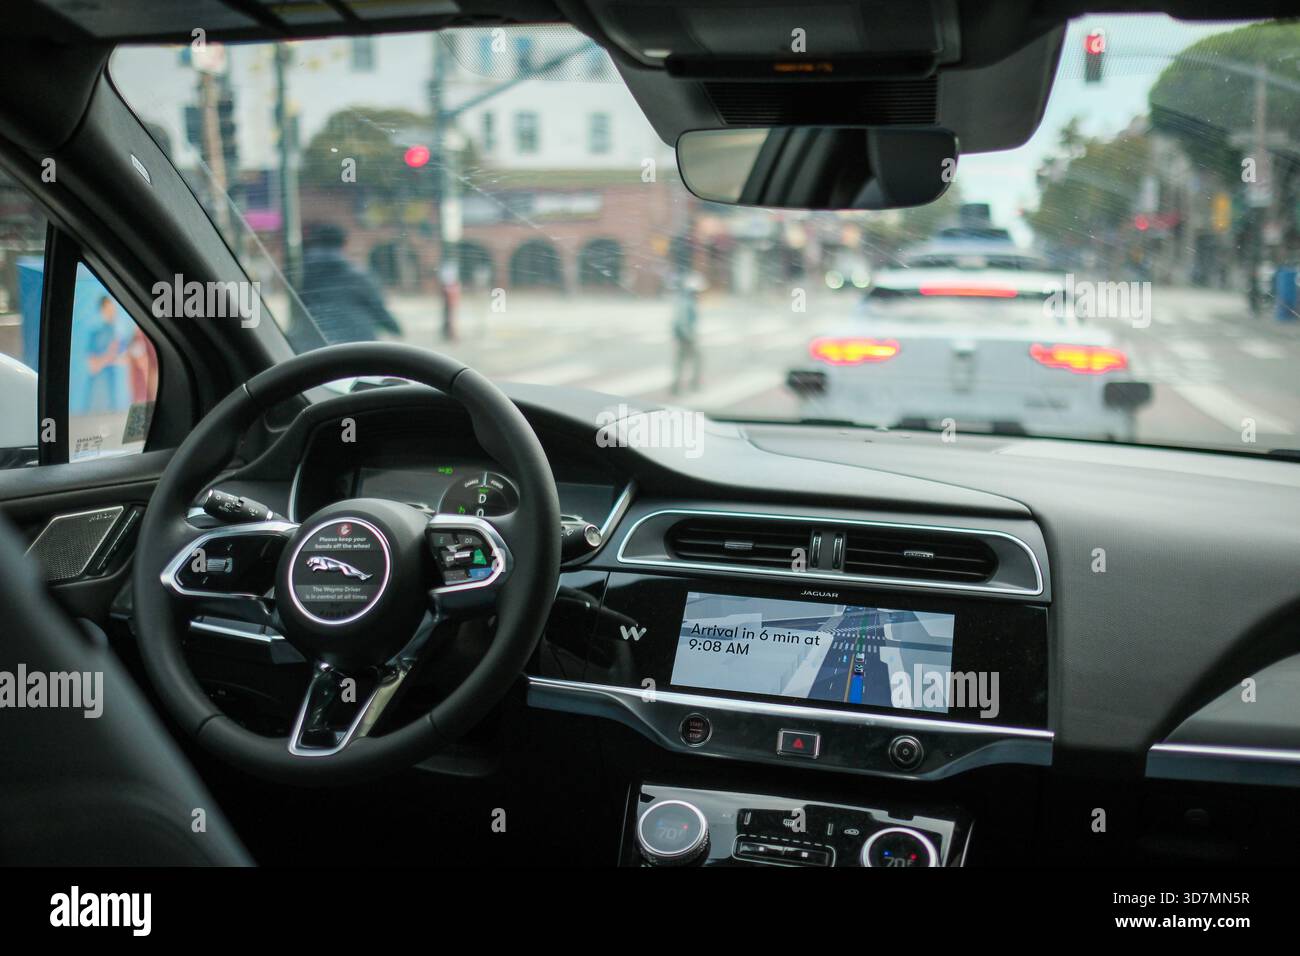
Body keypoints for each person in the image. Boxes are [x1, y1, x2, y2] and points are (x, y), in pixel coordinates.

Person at [297, 224, 402, 344]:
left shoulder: (301, 273)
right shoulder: (358, 274)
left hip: (314, 343)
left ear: (315, 242)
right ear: (344, 244)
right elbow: (377, 307)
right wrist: (394, 328)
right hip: (357, 343)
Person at [670, 269, 706, 395]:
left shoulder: (684, 300)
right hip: (686, 337)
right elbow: (682, 321)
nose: (699, 294)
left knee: (681, 360)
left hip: (681, 336)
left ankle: (676, 385)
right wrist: (689, 336)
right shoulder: (687, 302)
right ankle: (693, 383)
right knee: (696, 358)